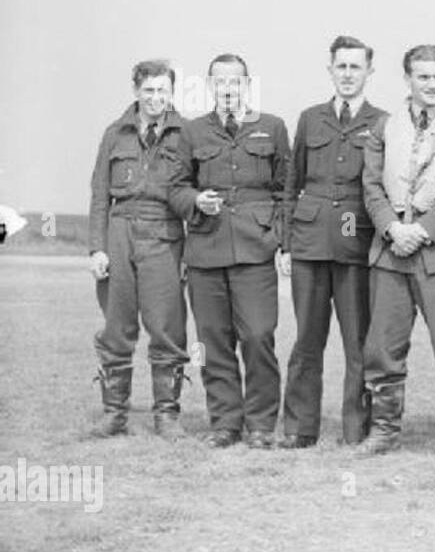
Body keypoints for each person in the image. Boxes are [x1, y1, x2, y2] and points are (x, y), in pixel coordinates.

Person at [358, 44, 435, 456]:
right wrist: (393, 228)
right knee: (382, 345)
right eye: (422, 76)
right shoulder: (384, 126)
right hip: (391, 249)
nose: (431, 84)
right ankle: (384, 431)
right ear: (408, 79)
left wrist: (422, 231)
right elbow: (372, 185)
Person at [167, 54, 291, 448]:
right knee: (213, 341)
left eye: (235, 81)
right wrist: (195, 200)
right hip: (206, 249)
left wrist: (283, 241)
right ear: (209, 85)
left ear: (247, 84)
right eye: (219, 81)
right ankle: (225, 423)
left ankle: (260, 424)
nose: (227, 88)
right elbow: (175, 187)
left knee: (258, 336)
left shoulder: (271, 127)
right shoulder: (193, 132)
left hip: (255, 249)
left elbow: (286, 190)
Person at [279, 35, 387, 448]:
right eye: (340, 67)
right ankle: (299, 428)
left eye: (355, 67)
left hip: (355, 243)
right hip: (309, 242)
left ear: (368, 72)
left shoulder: (382, 122)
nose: (347, 74)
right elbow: (293, 184)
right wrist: (288, 243)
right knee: (307, 339)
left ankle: (356, 429)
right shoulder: (310, 119)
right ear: (330, 71)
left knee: (358, 340)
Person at [87, 59, 189, 438]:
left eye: (163, 90)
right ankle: (114, 412)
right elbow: (99, 195)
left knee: (166, 326)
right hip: (119, 231)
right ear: (136, 91)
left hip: (164, 233)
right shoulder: (115, 134)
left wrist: (190, 254)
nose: (156, 98)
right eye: (149, 90)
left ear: (171, 92)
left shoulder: (187, 135)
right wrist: (97, 248)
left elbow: (192, 196)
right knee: (117, 326)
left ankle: (167, 414)